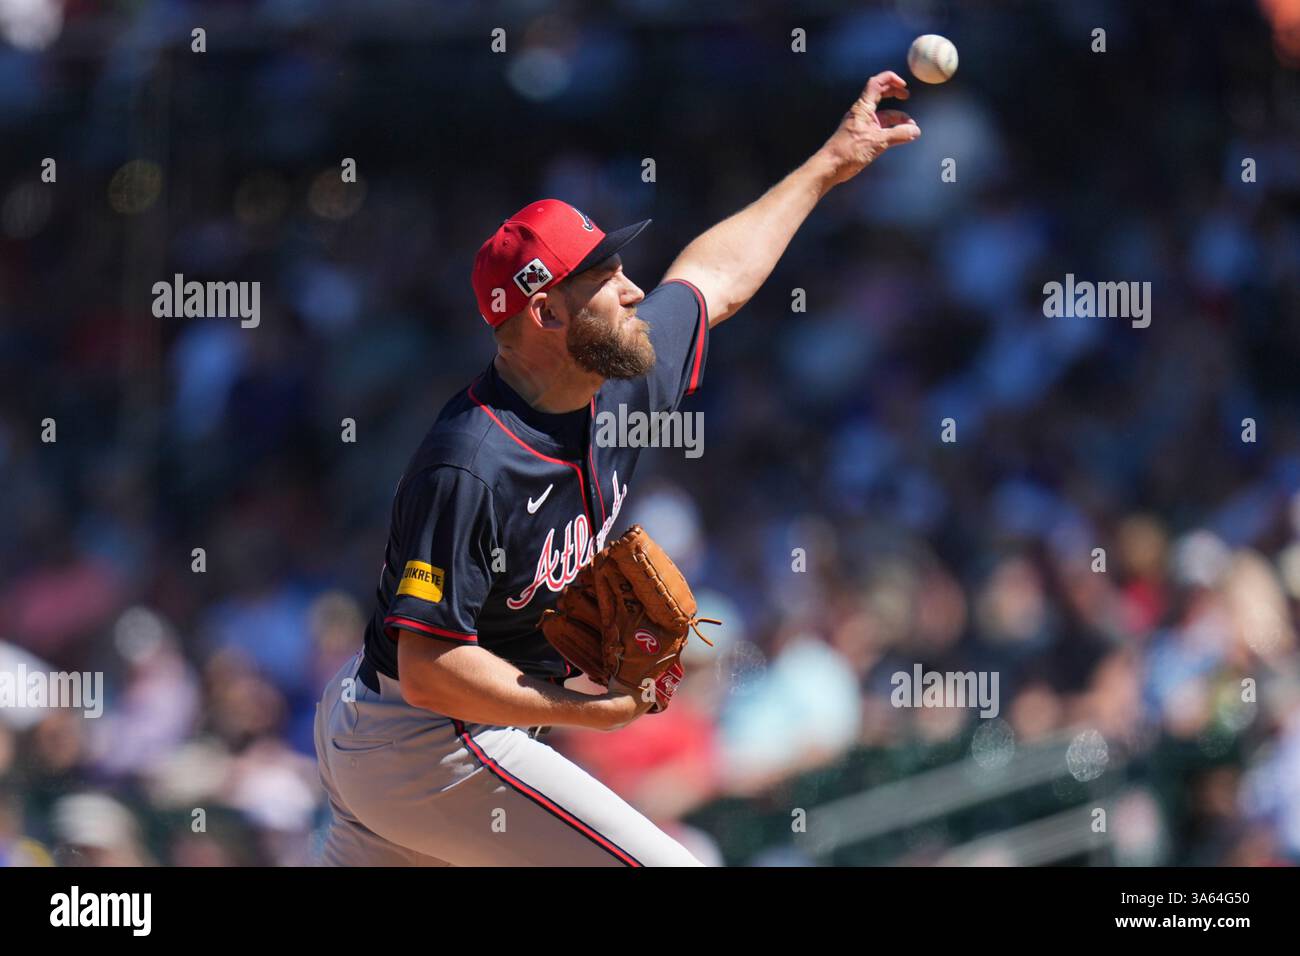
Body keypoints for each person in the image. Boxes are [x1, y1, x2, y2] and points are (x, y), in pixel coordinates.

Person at [313, 72, 921, 866]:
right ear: (546, 314)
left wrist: (827, 165)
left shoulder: (621, 374)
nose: (634, 289)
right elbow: (430, 666)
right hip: (428, 739)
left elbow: (713, 280)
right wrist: (581, 709)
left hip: (409, 742)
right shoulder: (469, 462)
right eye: (605, 280)